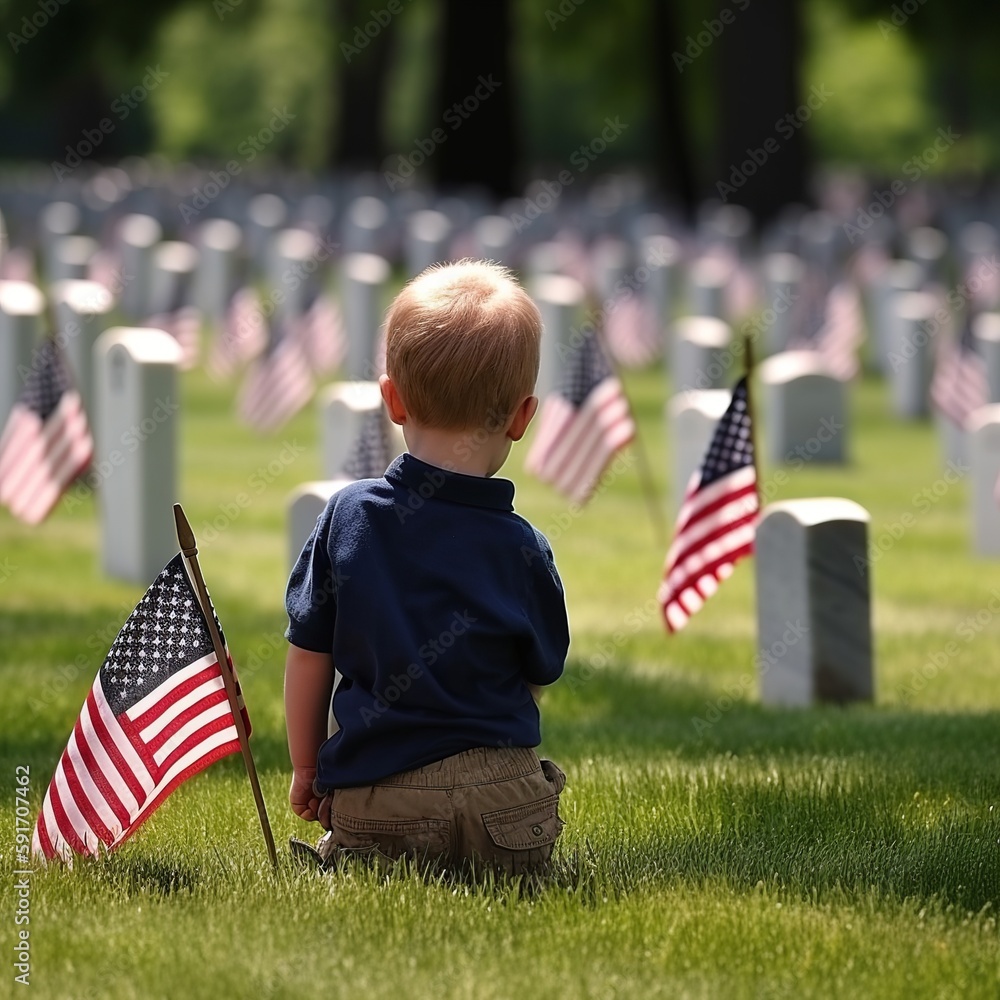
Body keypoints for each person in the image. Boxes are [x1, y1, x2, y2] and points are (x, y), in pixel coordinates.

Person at [283, 259, 570, 877]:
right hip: (511, 811)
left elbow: (310, 653)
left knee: (358, 865)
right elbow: (541, 669)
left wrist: (308, 768)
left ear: (392, 400)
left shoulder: (349, 517)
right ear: (522, 417)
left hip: (384, 804)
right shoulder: (524, 547)